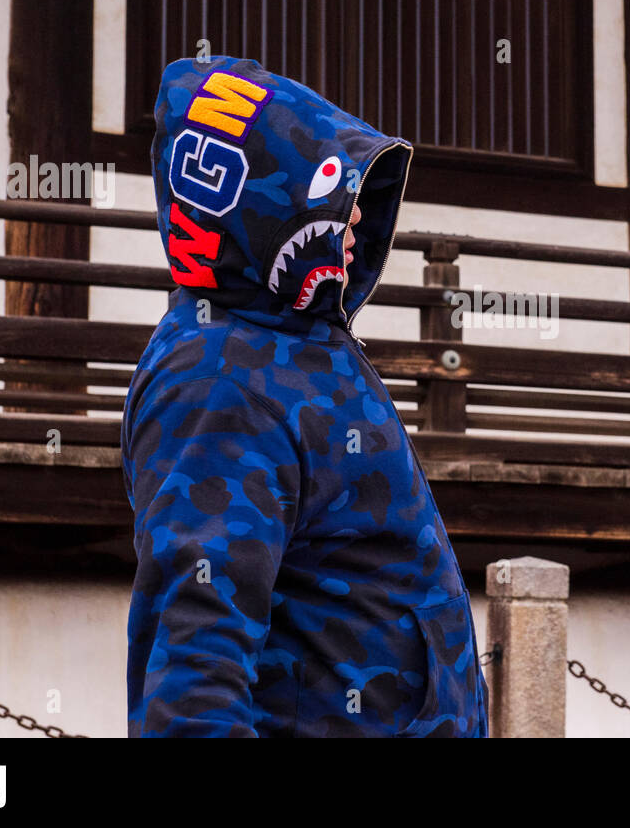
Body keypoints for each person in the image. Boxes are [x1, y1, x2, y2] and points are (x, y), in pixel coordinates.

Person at [122, 55, 488, 737]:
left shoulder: (302, 341)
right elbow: (195, 662)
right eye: (334, 200)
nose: (355, 225)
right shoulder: (219, 382)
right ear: (263, 208)